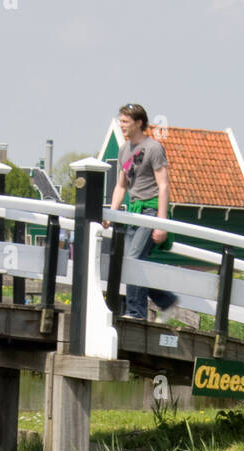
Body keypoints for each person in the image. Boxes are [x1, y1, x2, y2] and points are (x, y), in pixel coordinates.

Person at [105, 102, 178, 322]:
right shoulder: (124, 150)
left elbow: (164, 186)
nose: (121, 125)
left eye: (125, 121)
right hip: (134, 211)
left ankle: (136, 313)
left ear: (138, 123)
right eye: (120, 121)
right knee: (128, 261)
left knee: (134, 259)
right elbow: (121, 186)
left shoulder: (153, 148)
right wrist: (111, 215)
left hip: (151, 210)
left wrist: (161, 224)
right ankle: (166, 301)